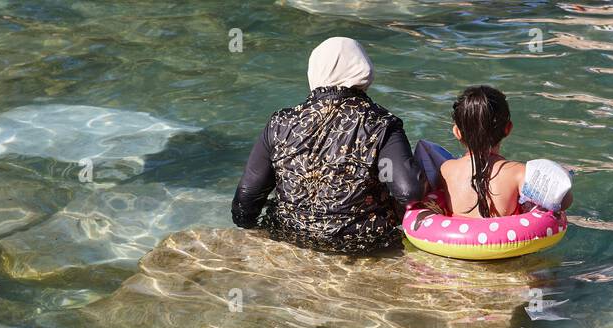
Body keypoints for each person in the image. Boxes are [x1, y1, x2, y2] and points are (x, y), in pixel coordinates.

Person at [231, 37, 424, 253]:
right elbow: (408, 191)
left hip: (288, 234)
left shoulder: (280, 122)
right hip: (360, 242)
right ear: (364, 69)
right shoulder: (381, 123)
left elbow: (246, 199)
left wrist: (250, 228)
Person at [440, 85, 573, 218]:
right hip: (509, 238)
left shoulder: (446, 169)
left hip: (455, 238)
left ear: (457, 132)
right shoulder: (518, 173)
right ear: (508, 129)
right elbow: (563, 201)